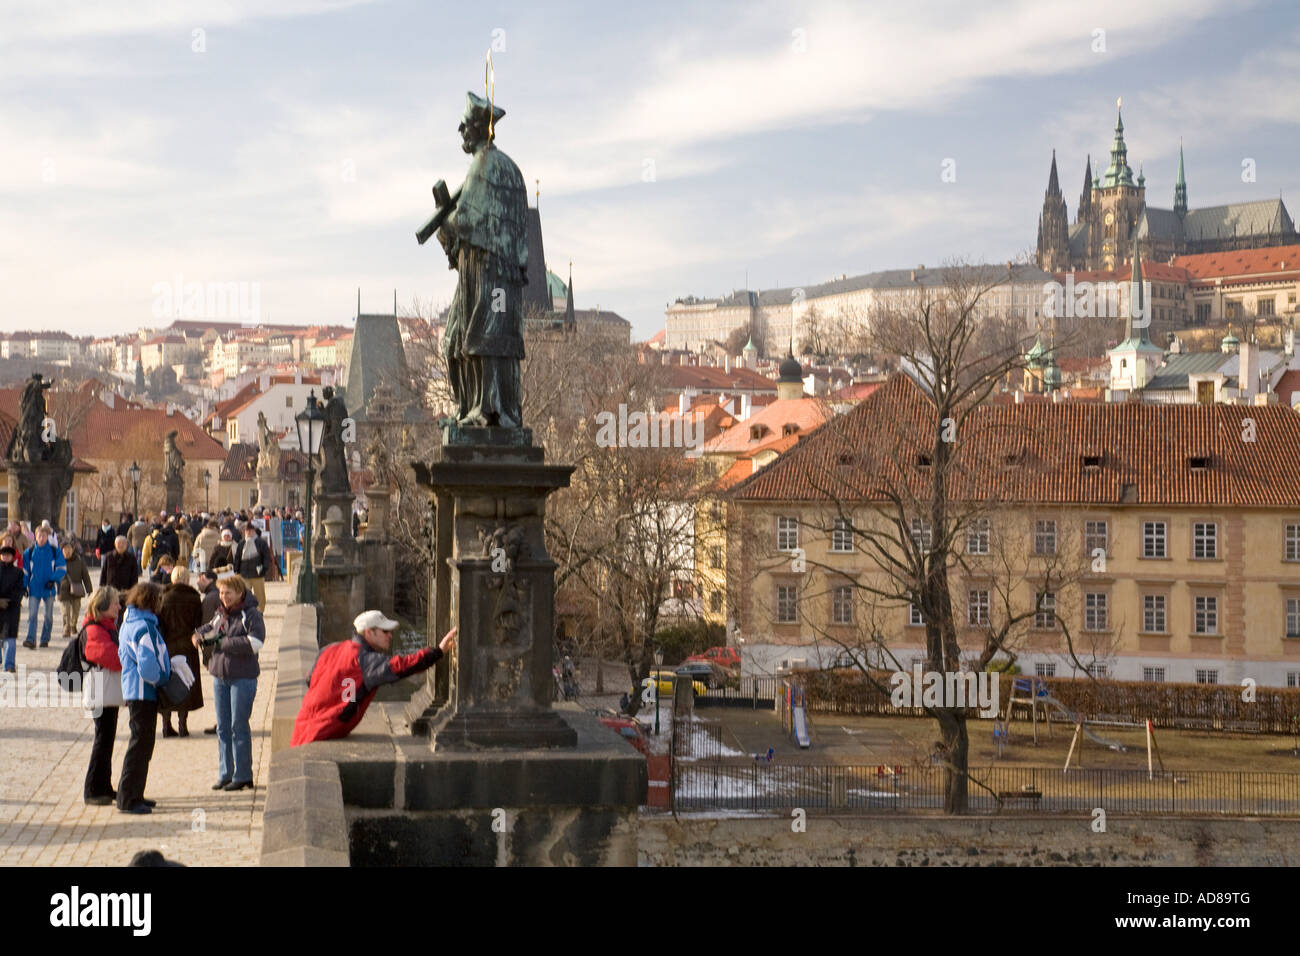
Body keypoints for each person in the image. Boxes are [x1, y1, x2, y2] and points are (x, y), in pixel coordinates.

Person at [291, 612, 456, 746]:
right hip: (320, 734)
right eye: (385, 631)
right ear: (369, 632)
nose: (390, 636)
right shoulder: (366, 661)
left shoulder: (329, 649)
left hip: (302, 729)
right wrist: (438, 651)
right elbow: (402, 666)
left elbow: (310, 679)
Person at [194, 574, 264, 790]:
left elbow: (255, 642)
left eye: (228, 593)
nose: (223, 597)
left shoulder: (251, 614)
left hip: (242, 677)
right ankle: (226, 772)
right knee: (223, 727)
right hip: (220, 676)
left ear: (239, 593)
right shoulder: (222, 613)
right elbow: (210, 628)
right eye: (222, 593)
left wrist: (223, 643)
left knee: (238, 726)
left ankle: (243, 775)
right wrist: (198, 634)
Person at [116, 582, 172, 814]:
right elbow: (148, 666)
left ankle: (134, 792)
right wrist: (162, 679)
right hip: (143, 691)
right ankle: (129, 797)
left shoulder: (130, 623)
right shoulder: (144, 627)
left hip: (134, 689)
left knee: (141, 744)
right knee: (140, 745)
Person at [82, 586, 123, 805]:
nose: (119, 606)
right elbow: (114, 659)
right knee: (101, 741)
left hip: (108, 693)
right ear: (103, 606)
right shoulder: (94, 629)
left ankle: (104, 787)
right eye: (115, 602)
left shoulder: (107, 626)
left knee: (107, 741)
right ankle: (92, 790)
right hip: (100, 693)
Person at [158, 566, 204, 738]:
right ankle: (183, 725)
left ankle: (166, 725)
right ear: (186, 579)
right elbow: (199, 623)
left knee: (167, 684)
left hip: (167, 646)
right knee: (185, 683)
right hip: (187, 646)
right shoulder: (194, 598)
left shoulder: (163, 596)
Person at [22, 525, 66, 648]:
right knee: (32, 615)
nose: (42, 538)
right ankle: (30, 639)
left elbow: (61, 568)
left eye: (44, 536)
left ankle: (45, 638)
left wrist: (53, 579)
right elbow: (25, 571)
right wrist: (24, 586)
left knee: (48, 616)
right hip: (34, 587)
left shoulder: (54, 551)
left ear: (48, 537)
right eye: (39, 536)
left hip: (49, 588)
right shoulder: (29, 553)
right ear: (35, 536)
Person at [58, 542, 93, 638]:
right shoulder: (58, 561)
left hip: (76, 589)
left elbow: (85, 575)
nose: (67, 551)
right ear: (62, 551)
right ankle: (66, 628)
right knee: (66, 612)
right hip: (63, 589)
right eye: (65, 549)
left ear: (73, 549)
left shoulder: (79, 561)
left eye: (69, 548)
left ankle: (73, 625)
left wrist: (89, 589)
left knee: (76, 611)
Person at [233, 525, 270, 607]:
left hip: (258, 574)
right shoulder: (241, 544)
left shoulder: (261, 543)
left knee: (260, 596)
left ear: (254, 531)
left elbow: (266, 557)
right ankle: (247, 612)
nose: (249, 532)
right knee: (244, 595)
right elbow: (237, 558)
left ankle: (259, 613)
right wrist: (236, 571)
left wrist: (264, 569)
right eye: (247, 531)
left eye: (250, 530)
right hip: (244, 574)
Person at [0, 546, 24, 673]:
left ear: (12, 557)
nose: (5, 557)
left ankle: (9, 664)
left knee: (10, 637)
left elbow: (20, 590)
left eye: (8, 555)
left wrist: (9, 601)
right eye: (3, 554)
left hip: (12, 608)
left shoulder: (18, 573)